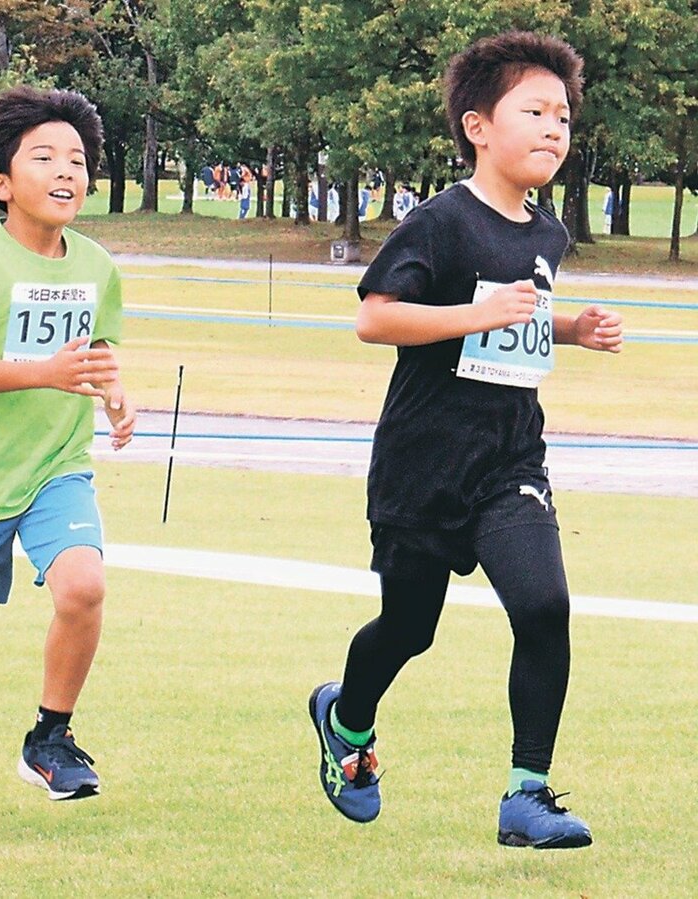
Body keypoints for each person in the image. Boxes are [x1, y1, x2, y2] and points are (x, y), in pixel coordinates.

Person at [308, 31, 622, 849]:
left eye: (563, 115)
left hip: (510, 459)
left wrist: (571, 326)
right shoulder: (440, 221)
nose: (555, 128)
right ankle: (345, 717)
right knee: (411, 628)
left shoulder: (547, 230)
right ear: (479, 126)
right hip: (421, 464)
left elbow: (515, 311)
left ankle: (528, 793)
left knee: (545, 605)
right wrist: (476, 316)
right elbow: (375, 317)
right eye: (535, 111)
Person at [0, 86, 136, 817]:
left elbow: (97, 351)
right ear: (2, 182)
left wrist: (114, 395)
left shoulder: (97, 265)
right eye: (44, 157)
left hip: (59, 469)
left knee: (84, 587)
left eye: (76, 158)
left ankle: (50, 736)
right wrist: (47, 372)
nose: (65, 170)